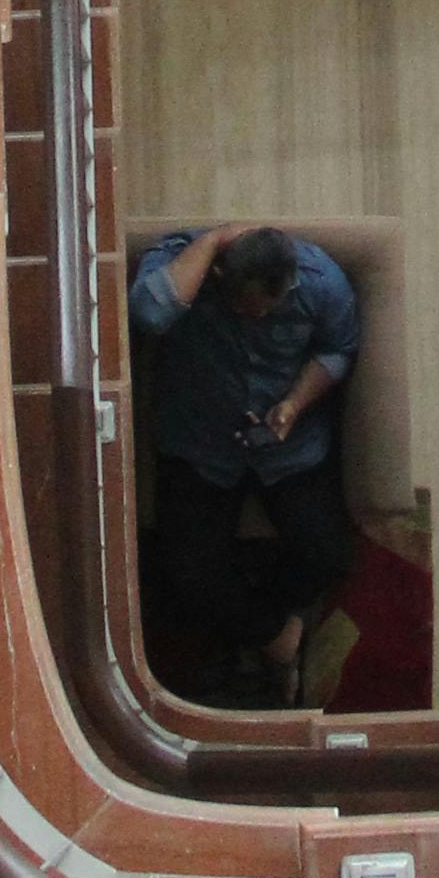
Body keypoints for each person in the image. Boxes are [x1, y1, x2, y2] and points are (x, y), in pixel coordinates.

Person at [126, 222, 361, 696]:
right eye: (246, 308)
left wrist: (295, 403)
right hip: (199, 444)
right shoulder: (184, 258)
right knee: (186, 577)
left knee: (331, 553)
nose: (257, 318)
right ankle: (278, 639)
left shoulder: (321, 281)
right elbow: (149, 315)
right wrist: (212, 242)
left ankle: (254, 625)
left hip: (285, 444)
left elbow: (338, 350)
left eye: (269, 310)